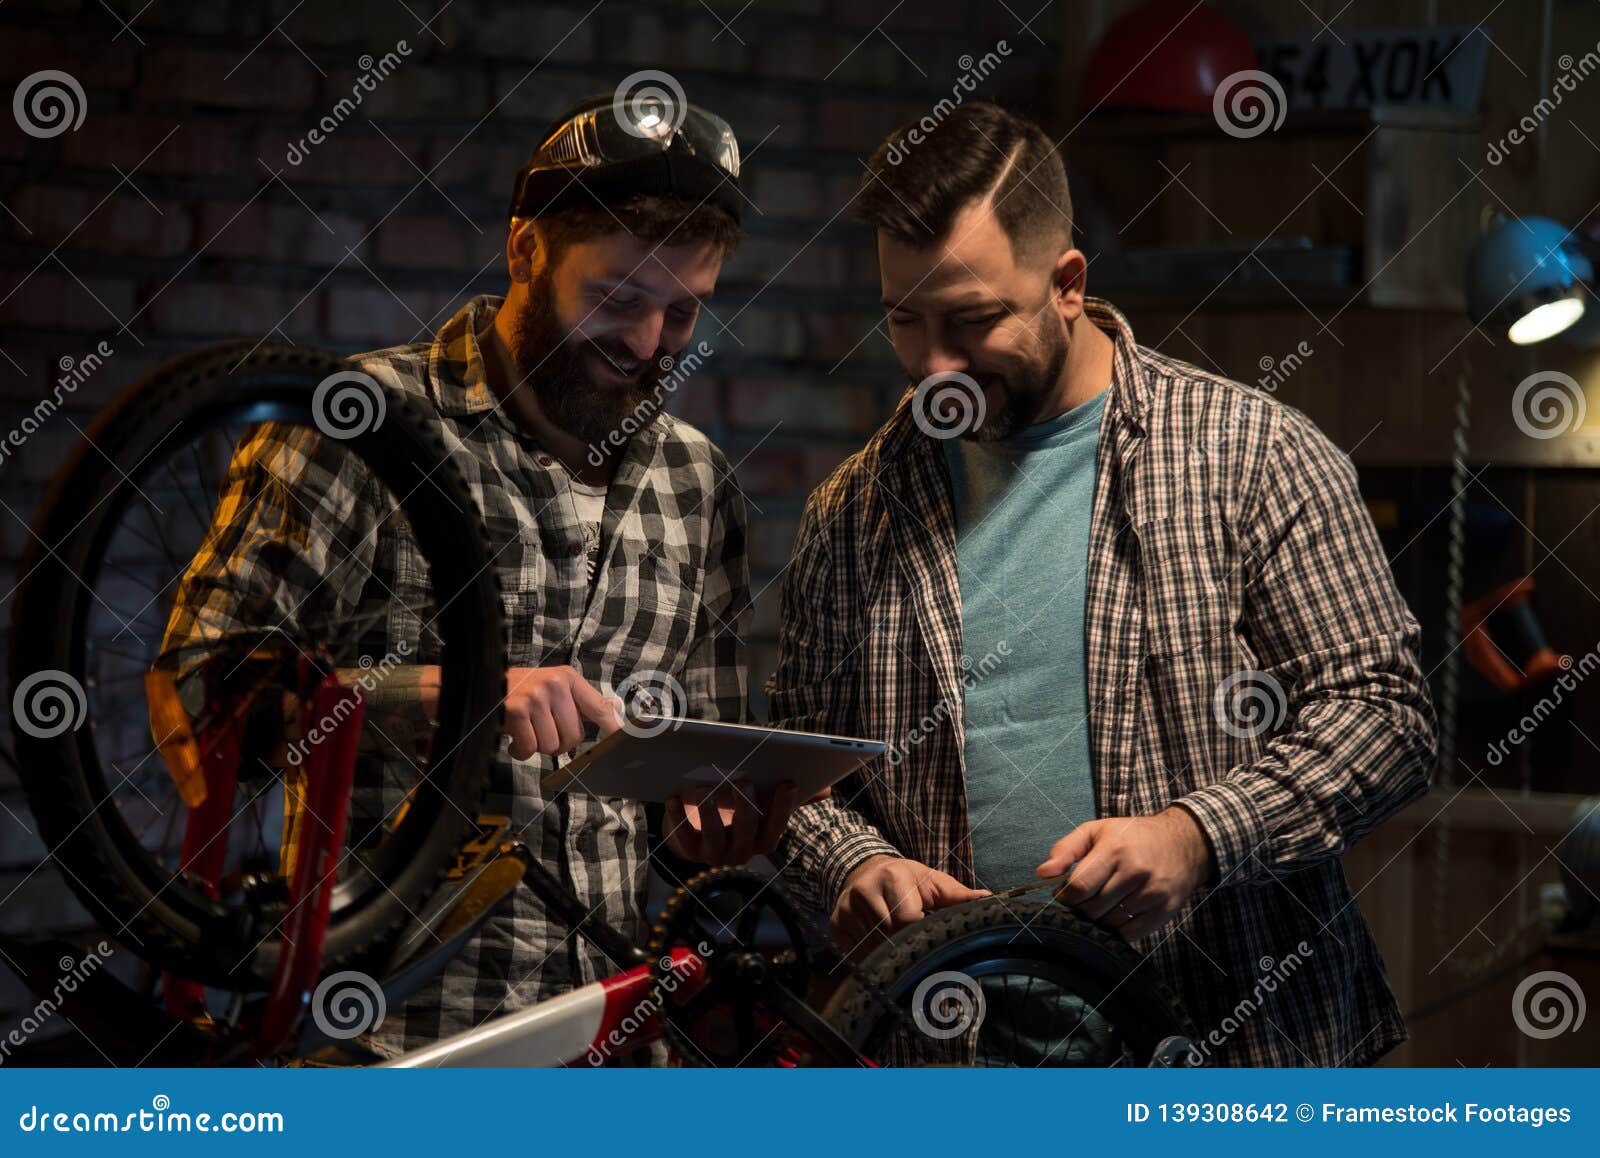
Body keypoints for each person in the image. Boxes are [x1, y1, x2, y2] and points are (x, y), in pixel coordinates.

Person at [767, 102, 1438, 1066]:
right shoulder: (853, 512)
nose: (933, 366)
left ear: (1068, 283)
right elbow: (802, 773)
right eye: (904, 321)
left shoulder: (1251, 455)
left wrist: (1199, 835)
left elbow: (1386, 717)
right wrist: (853, 861)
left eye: (974, 321)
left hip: (1235, 1053)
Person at [160, 91, 803, 1060]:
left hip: (612, 1045)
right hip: (387, 1042)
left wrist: (712, 823)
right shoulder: (358, 425)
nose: (644, 345)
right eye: (616, 301)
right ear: (524, 253)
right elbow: (196, 695)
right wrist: (452, 697)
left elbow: (684, 794)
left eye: (681, 312)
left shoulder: (695, 479)